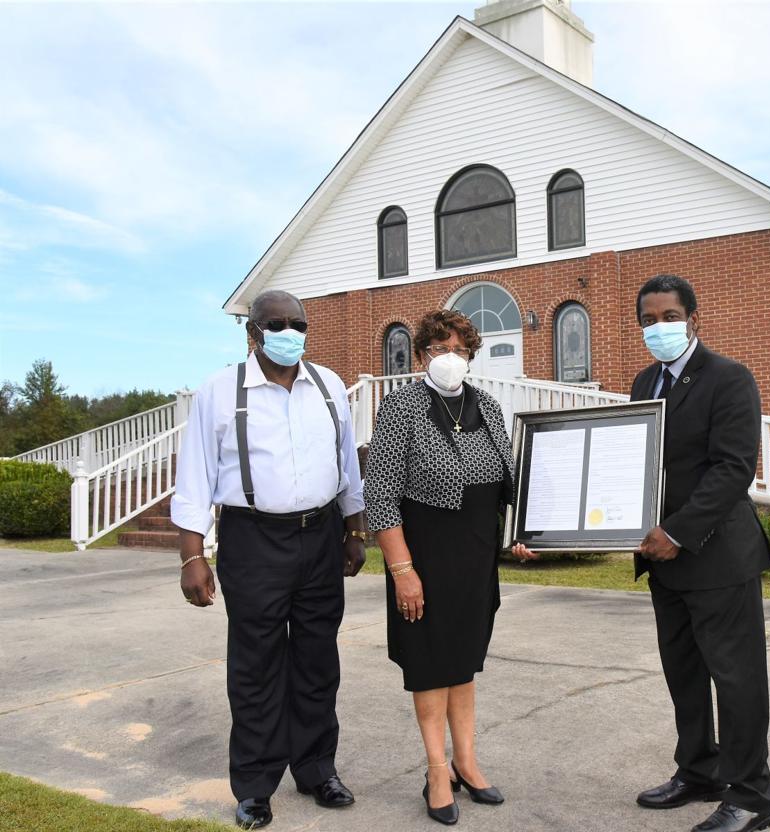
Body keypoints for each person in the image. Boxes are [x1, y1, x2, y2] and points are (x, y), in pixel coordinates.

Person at [172, 290, 367, 830]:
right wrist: (192, 555)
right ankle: (256, 785)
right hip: (253, 541)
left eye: (297, 323)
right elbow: (194, 478)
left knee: (316, 660)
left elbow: (346, 463)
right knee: (256, 667)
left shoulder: (328, 385)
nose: (289, 332)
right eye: (275, 323)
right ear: (251, 332)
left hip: (321, 536)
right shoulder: (219, 391)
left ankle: (315, 768)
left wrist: (354, 529)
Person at [363, 309, 533, 826]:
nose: (449, 358)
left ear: (472, 356)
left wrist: (518, 538)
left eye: (459, 349)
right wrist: (401, 570)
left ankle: (467, 761)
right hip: (426, 558)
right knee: (431, 667)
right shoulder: (401, 407)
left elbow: (505, 488)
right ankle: (437, 772)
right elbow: (380, 495)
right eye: (438, 349)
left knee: (463, 664)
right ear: (420, 356)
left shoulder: (489, 406)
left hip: (478, 558)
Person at [629, 274, 770, 832]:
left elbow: (733, 468)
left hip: (717, 559)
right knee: (684, 673)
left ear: (694, 319)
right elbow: (634, 466)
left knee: (736, 680)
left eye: (668, 316)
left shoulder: (729, 378)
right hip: (665, 564)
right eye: (647, 320)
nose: (658, 327)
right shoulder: (644, 382)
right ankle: (698, 771)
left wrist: (679, 532)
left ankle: (751, 797)